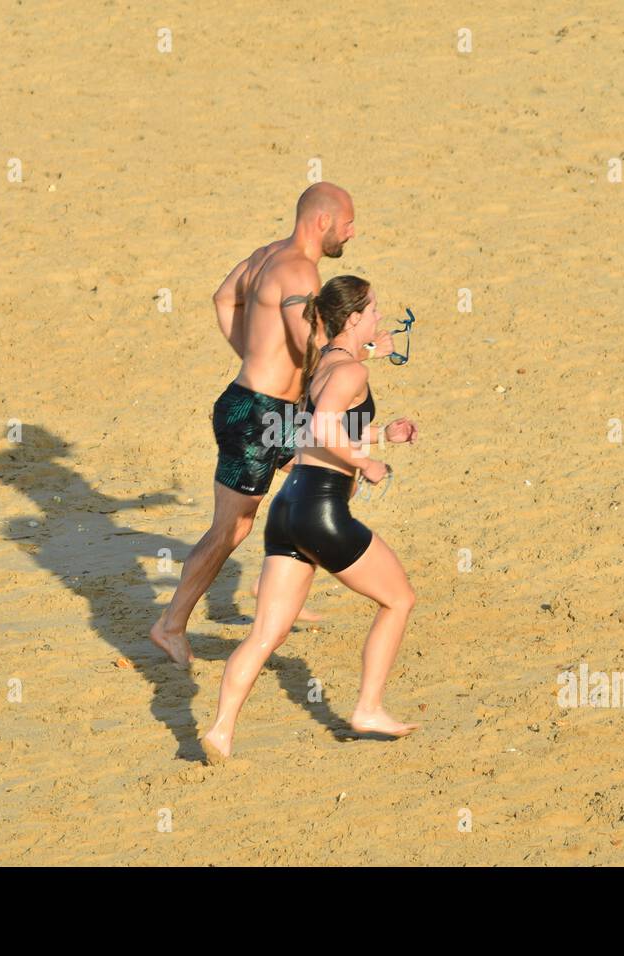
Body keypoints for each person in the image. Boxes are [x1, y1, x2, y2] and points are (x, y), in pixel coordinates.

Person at [148, 183, 371, 666]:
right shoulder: (300, 272)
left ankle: (276, 581)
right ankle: (169, 625)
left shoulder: (266, 256)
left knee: (332, 478)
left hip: (270, 411)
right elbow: (309, 345)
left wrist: (251, 358)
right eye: (347, 223)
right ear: (322, 221)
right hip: (256, 415)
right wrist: (355, 349)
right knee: (230, 530)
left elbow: (223, 299)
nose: (352, 232)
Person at [201, 275, 420, 762]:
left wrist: (385, 434)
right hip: (323, 510)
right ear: (355, 317)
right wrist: (365, 463)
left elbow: (326, 426)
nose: (382, 319)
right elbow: (325, 428)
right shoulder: (350, 374)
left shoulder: (318, 366)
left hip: (287, 511)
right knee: (399, 599)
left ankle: (219, 731)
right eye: (375, 311)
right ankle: (368, 707)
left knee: (265, 635)